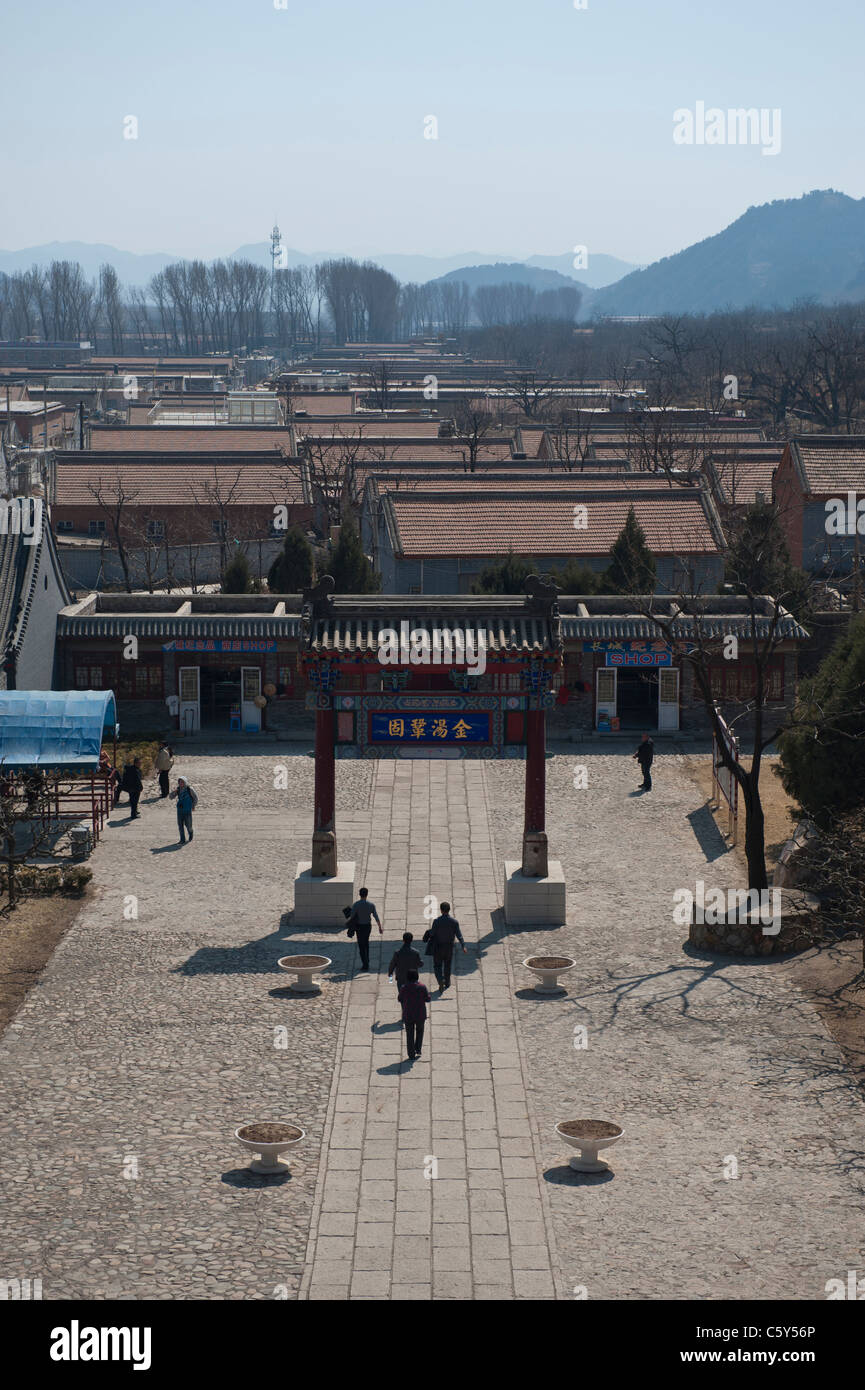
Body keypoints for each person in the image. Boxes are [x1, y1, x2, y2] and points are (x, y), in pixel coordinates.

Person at [424, 902, 466, 992]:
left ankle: (440, 980)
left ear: (441, 910)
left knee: (437, 966)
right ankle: (447, 982)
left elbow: (432, 933)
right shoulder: (454, 922)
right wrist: (463, 945)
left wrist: (428, 933)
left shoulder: (437, 921)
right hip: (449, 948)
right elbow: (459, 935)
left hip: (438, 947)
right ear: (449, 910)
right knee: (447, 965)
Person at [398, 969, 431, 1060]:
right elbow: (428, 999)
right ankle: (418, 1049)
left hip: (408, 1014)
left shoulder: (404, 987)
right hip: (420, 1014)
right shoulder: (422, 987)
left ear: (407, 978)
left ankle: (411, 1054)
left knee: (409, 1034)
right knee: (420, 1031)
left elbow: (400, 999)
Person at [348, 886, 382, 972]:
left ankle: (365, 964)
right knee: (366, 943)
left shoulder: (356, 905)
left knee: (361, 945)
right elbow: (376, 917)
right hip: (367, 926)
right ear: (367, 895)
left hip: (359, 927)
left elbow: (352, 916)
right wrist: (380, 927)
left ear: (359, 894)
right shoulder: (371, 905)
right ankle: (367, 960)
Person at [170, 776, 198, 844]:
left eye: (182, 782)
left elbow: (195, 798)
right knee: (180, 825)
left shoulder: (189, 789)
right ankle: (182, 839)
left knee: (188, 825)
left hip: (187, 810)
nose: (181, 783)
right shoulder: (178, 789)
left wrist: (193, 806)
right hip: (180, 810)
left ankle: (191, 832)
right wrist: (174, 792)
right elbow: (170, 797)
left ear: (185, 782)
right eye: (179, 782)